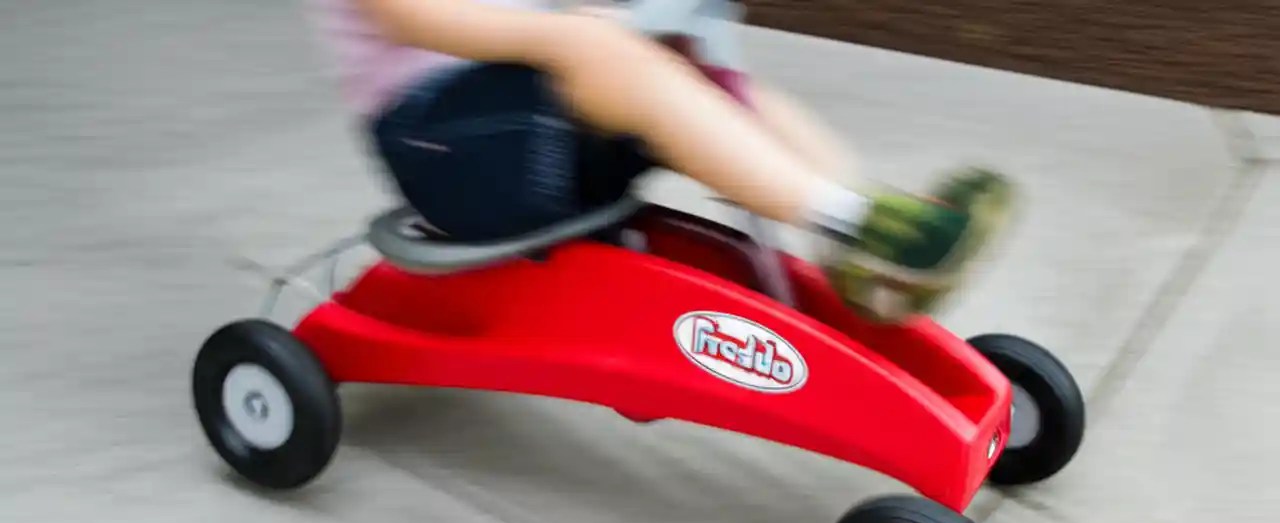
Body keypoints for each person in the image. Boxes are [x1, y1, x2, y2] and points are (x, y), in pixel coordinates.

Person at [309, 0, 1012, 320]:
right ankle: (865, 225)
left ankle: (864, 235)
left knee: (700, 73)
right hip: (447, 147)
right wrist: (568, 34)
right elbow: (411, 15)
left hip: (532, 125)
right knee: (599, 48)